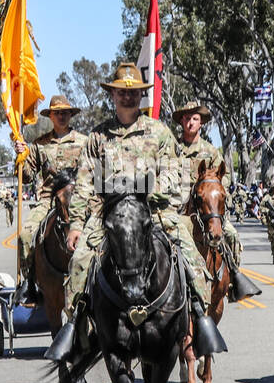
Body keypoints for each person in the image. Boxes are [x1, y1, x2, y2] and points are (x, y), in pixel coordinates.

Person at [46, 62, 218, 362]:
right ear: (112, 95)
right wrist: (76, 224)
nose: (128, 98)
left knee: (191, 258)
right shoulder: (97, 138)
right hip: (107, 216)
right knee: (79, 263)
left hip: (153, 213)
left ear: (141, 96)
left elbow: (176, 177)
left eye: (134, 93)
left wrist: (146, 190)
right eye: (122, 93)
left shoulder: (159, 133)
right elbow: (85, 182)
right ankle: (75, 328)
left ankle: (200, 321)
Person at [172, 100, 258, 300]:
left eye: (195, 119)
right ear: (181, 122)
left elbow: (223, 177)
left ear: (201, 122)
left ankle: (233, 280)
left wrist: (214, 187)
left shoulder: (210, 151)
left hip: (207, 207)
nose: (191, 122)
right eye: (187, 119)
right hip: (180, 208)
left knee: (231, 235)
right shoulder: (174, 149)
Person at [14, 94, 89, 304]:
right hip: (48, 200)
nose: (62, 116)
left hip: (79, 199)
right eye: (57, 113)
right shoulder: (40, 144)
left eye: (65, 112)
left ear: (71, 115)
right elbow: (28, 176)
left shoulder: (84, 142)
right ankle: (29, 283)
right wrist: (21, 157)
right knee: (26, 236)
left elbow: (93, 171)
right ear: (51, 116)